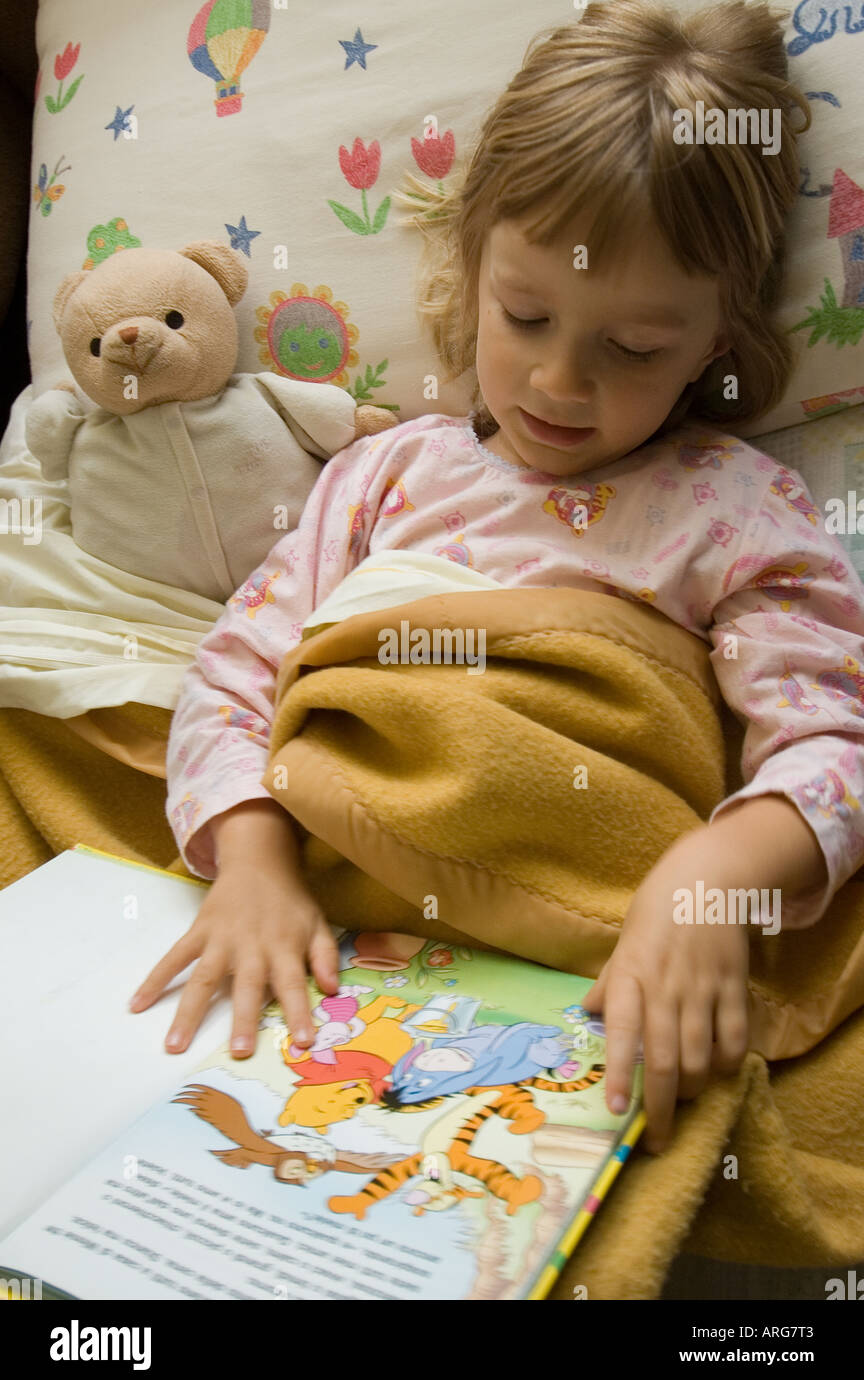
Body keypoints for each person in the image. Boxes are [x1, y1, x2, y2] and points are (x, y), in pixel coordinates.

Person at [130, 1, 864, 1154]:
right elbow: (234, 675)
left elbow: (834, 744)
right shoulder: (386, 475)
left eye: (634, 348)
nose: (561, 382)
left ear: (719, 336)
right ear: (472, 263)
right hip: (349, 911)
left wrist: (712, 878)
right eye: (524, 315)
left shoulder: (734, 508)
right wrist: (257, 862)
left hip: (594, 939)